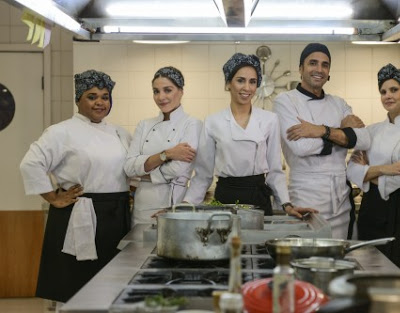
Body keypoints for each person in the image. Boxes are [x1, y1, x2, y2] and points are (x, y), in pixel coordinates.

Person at [19, 70, 132, 303]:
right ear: (78, 99)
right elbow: (30, 163)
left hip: (117, 216)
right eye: (92, 96)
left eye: (105, 96)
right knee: (77, 289)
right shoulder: (61, 131)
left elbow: (131, 170)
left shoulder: (120, 132)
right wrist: (52, 197)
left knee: (112, 289)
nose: (100, 102)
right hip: (81, 213)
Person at [184, 53, 316, 218]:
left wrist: (286, 204)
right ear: (228, 84)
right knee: (225, 243)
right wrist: (185, 205)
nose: (247, 88)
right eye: (240, 80)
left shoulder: (269, 120)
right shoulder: (213, 122)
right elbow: (203, 175)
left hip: (257, 199)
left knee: (258, 244)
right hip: (225, 199)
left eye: (252, 82)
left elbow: (275, 171)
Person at [273, 43, 371, 239]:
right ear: (300, 69)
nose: (319, 69)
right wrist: (342, 133)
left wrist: (320, 130)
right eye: (313, 63)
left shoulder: (339, 103)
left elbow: (364, 139)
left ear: (329, 72)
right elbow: (301, 147)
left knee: (340, 258)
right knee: (308, 258)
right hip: (306, 197)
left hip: (341, 200)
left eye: (325, 65)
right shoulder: (285, 101)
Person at [347, 63, 400, 273]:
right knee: (367, 268)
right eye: (383, 91)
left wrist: (368, 173)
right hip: (372, 209)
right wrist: (385, 169)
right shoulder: (371, 131)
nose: (387, 96)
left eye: (394, 90)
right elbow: (351, 170)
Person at [124, 66, 202, 225]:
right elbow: (128, 168)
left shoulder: (192, 124)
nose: (161, 97)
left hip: (173, 205)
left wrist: (143, 173)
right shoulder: (144, 125)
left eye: (168, 90)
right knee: (138, 248)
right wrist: (166, 154)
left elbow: (178, 169)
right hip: (142, 208)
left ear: (181, 91)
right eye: (156, 91)